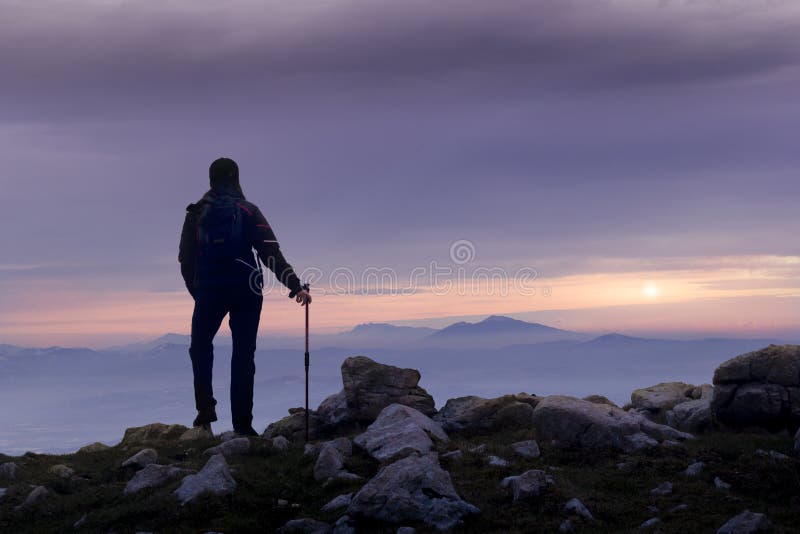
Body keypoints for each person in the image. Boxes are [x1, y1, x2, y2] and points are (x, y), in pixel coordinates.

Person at [178, 157, 311, 436]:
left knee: (200, 347)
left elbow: (185, 258)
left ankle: (205, 411)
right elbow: (270, 252)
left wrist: (198, 292)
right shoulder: (248, 210)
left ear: (211, 178)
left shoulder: (197, 213)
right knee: (243, 355)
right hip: (246, 290)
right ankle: (243, 426)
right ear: (235, 177)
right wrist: (295, 285)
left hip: (210, 291)